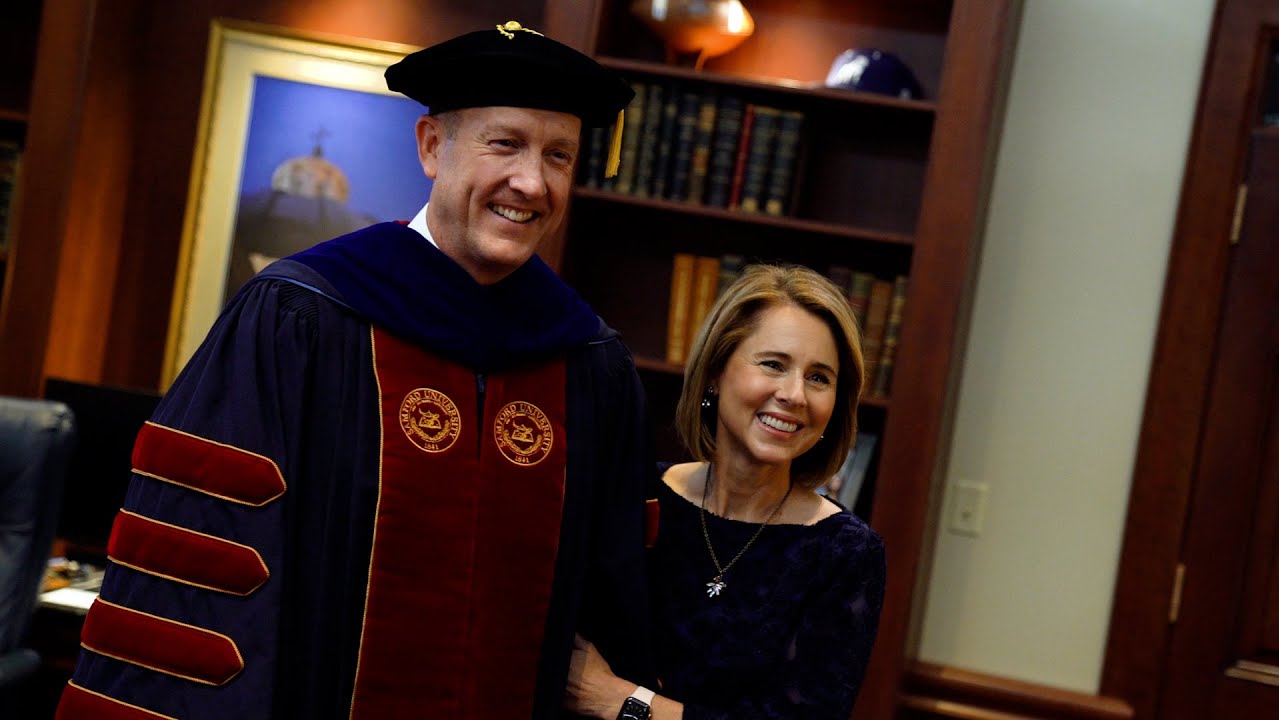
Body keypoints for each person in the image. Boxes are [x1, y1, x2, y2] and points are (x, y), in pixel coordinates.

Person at [56, 21, 655, 720]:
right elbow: (198, 583)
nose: (532, 181)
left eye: (559, 155)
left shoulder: (588, 365)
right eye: (506, 143)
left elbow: (615, 612)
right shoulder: (302, 317)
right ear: (433, 146)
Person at [565, 264, 886, 719]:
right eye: (773, 364)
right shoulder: (636, 495)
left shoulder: (845, 553)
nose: (795, 394)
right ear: (716, 371)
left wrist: (620, 701)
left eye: (819, 378)